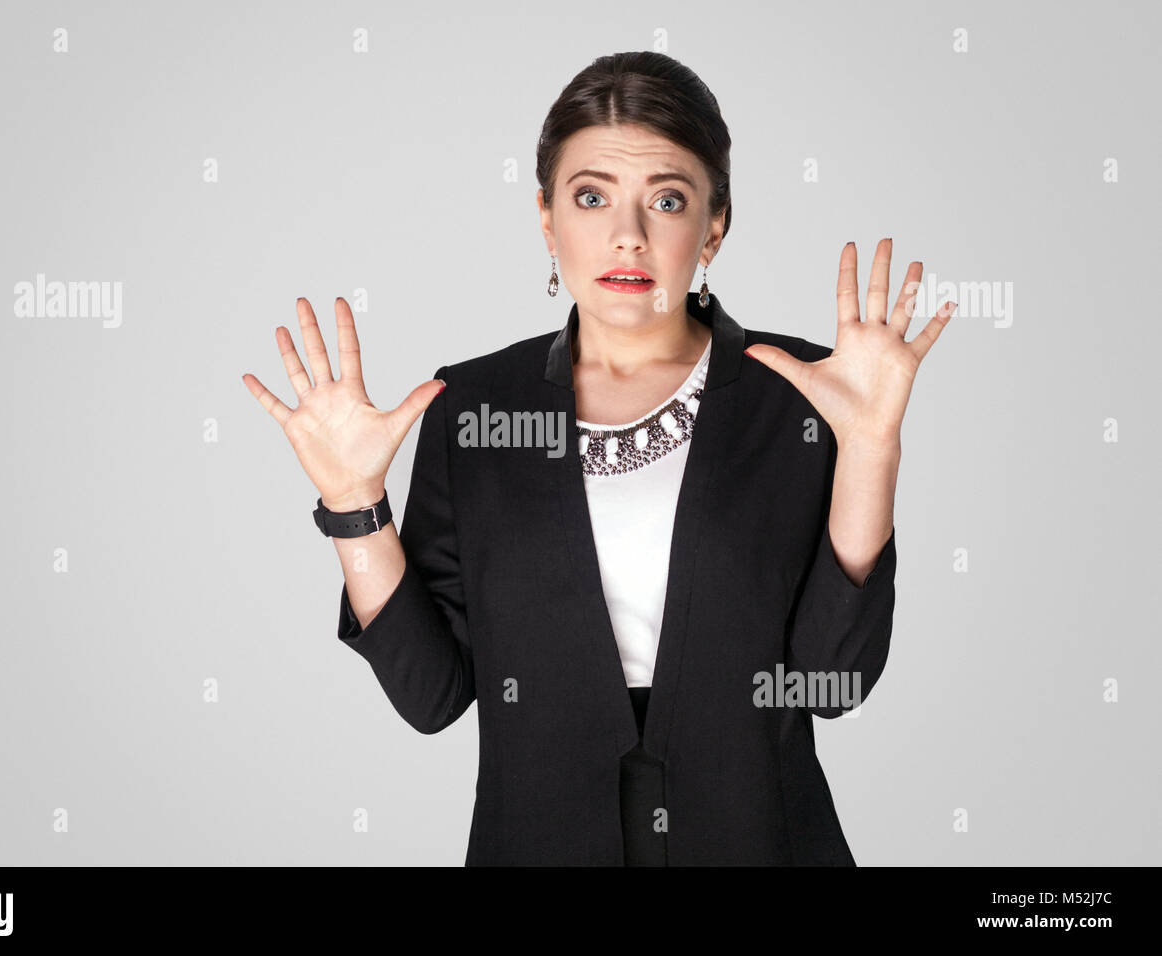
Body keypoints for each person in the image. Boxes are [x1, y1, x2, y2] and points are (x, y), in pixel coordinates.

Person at [242, 51, 955, 866]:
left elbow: (838, 680)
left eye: (668, 199)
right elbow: (434, 697)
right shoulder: (474, 407)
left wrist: (871, 447)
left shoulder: (806, 392)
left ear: (714, 226)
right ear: (547, 219)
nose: (628, 234)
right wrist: (354, 504)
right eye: (591, 197)